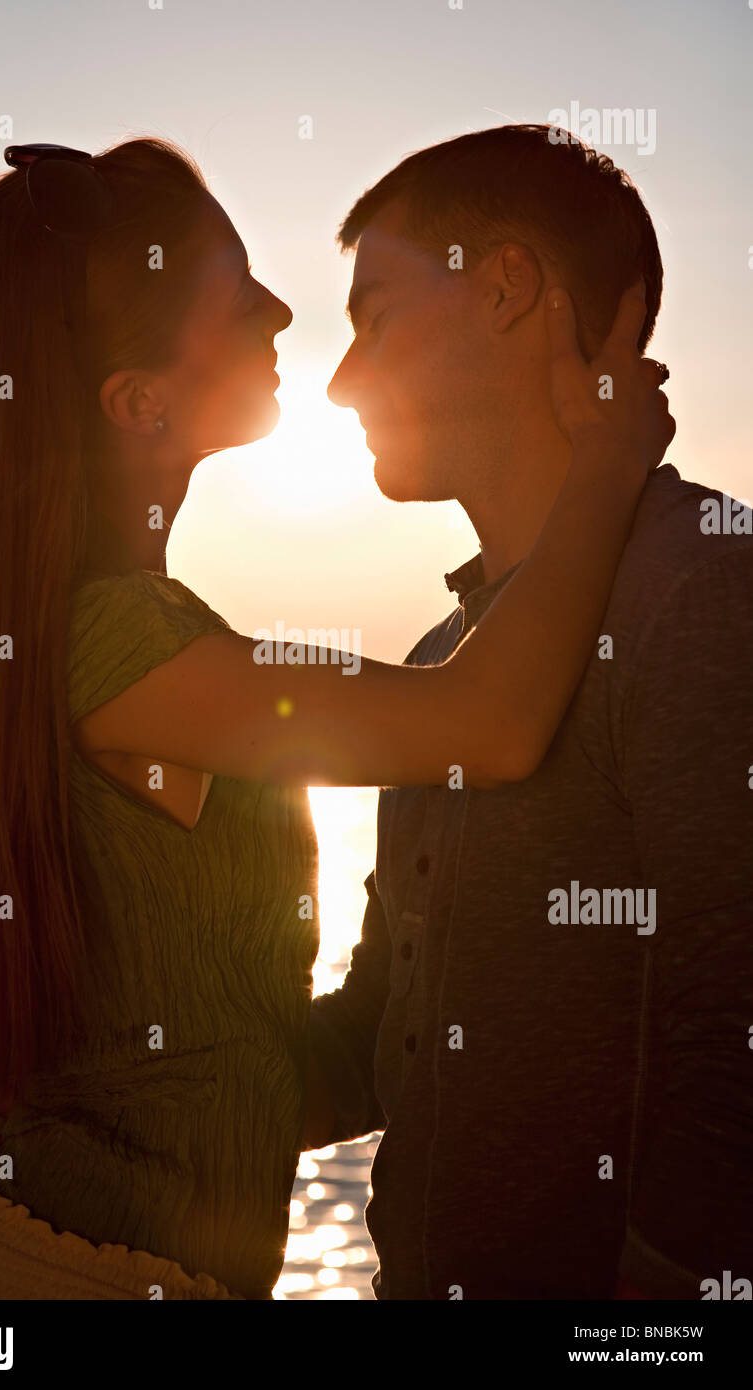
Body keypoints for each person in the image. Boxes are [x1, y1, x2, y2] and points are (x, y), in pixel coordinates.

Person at [0, 132, 672, 1301]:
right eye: (235, 296)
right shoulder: (119, 643)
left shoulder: (142, 636)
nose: (279, 313)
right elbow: (490, 719)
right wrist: (610, 462)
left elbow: (264, 1059)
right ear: (139, 401)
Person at [304, 124, 753, 1299]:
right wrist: (99, 1098)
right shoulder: (449, 662)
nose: (345, 380)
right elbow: (376, 1032)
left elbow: (733, 1031)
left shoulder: (705, 581)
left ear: (505, 287)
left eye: (375, 315)